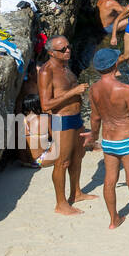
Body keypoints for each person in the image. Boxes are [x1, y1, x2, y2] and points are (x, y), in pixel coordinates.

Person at [86, 48, 129, 230]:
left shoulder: (94, 89)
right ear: (115, 64)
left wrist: (93, 136)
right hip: (127, 140)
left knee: (109, 180)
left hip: (108, 140)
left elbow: (95, 117)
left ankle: (114, 220)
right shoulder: (126, 90)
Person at [38, 36, 94, 215]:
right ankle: (60, 204)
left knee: (78, 156)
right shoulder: (47, 71)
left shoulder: (65, 65)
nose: (68, 50)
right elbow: (46, 105)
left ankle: (76, 193)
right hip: (61, 120)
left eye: (68, 47)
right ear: (51, 53)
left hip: (75, 117)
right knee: (62, 162)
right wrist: (73, 92)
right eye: (62, 50)